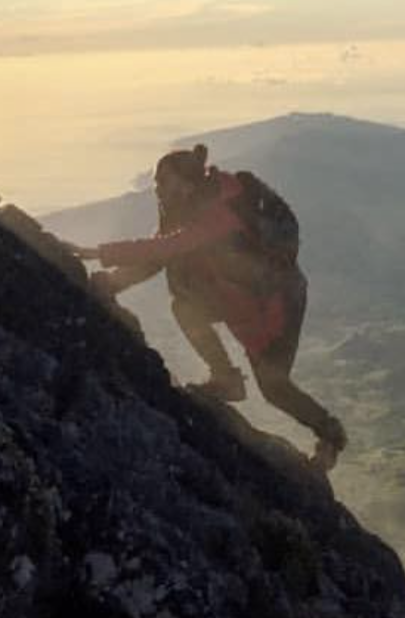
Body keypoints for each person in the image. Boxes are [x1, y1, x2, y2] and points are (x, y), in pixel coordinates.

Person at [81, 144, 348, 472]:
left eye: (163, 181)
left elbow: (169, 246)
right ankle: (225, 378)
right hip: (244, 299)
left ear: (186, 181)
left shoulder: (221, 208)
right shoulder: (182, 208)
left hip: (278, 303)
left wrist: (97, 253)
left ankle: (331, 436)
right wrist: (112, 284)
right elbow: (159, 257)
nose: (157, 189)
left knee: (274, 387)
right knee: (184, 306)